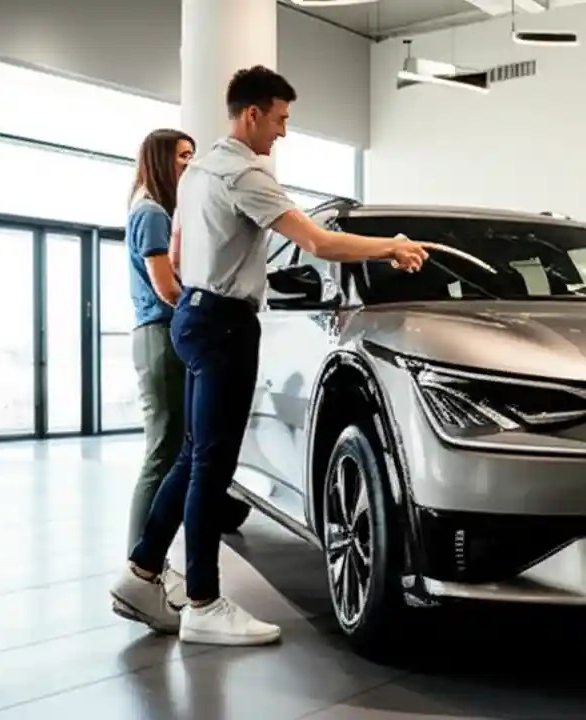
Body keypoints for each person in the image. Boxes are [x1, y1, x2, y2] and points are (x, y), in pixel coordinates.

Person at [109, 65, 429, 646]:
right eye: (280, 119)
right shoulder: (245, 175)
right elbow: (318, 242)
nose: (282, 132)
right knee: (212, 465)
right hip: (226, 325)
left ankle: (142, 571)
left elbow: (178, 255)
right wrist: (394, 246)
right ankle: (203, 601)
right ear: (251, 114)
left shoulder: (197, 172)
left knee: (191, 456)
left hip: (193, 317)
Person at [116, 129, 194, 616]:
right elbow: (167, 289)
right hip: (158, 337)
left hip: (163, 338)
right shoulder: (150, 213)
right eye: (184, 156)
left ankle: (152, 560)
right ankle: (139, 564)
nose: (190, 164)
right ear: (163, 161)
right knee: (163, 447)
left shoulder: (160, 214)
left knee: (169, 447)